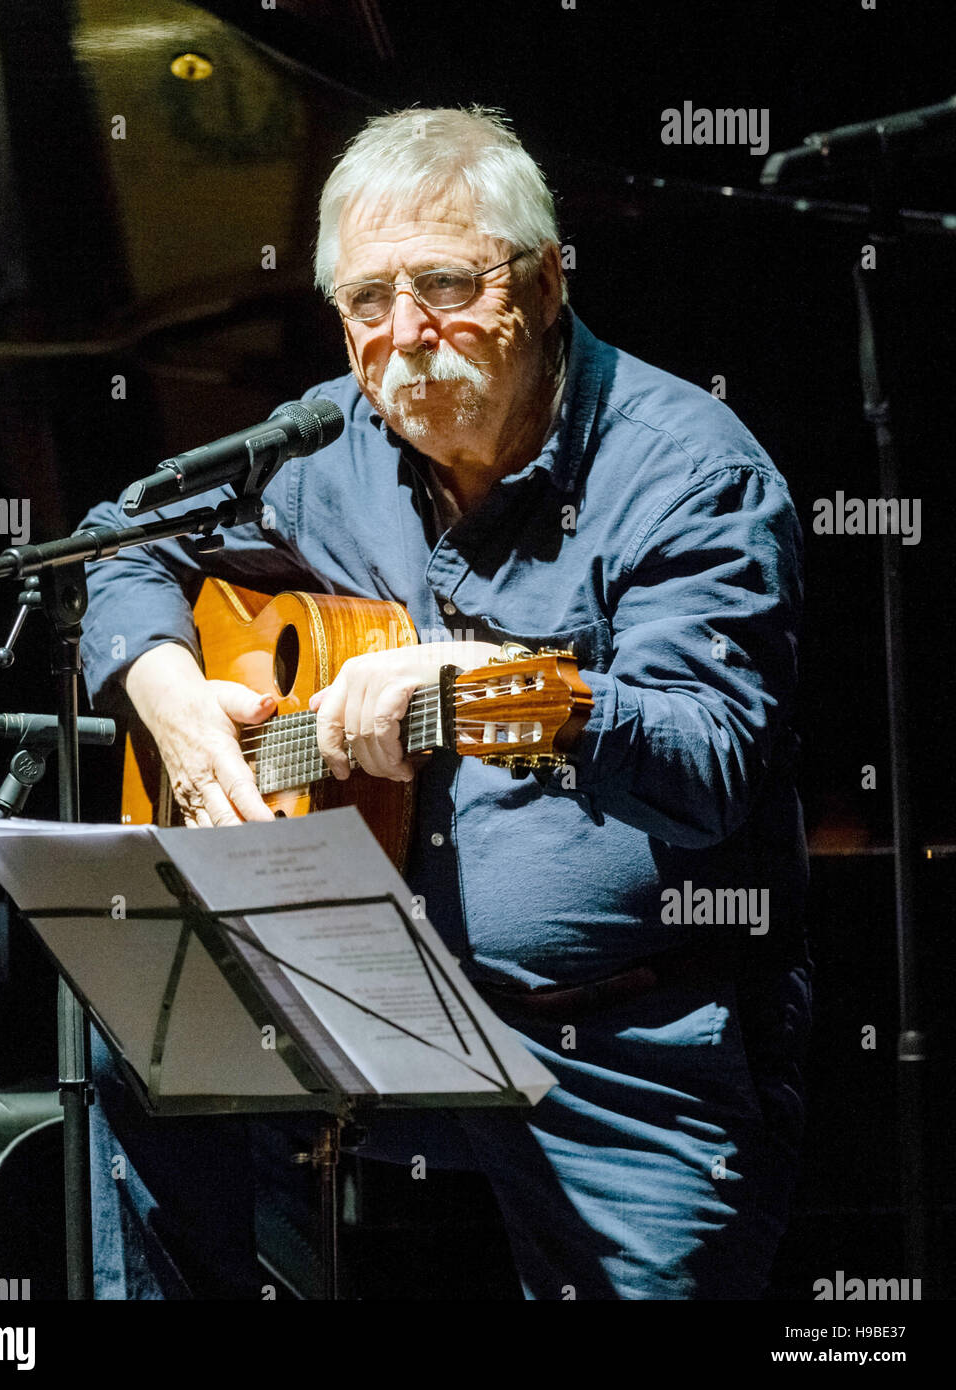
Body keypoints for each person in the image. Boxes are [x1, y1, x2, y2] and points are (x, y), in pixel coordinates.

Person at [78, 105, 811, 1300]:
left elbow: (712, 760)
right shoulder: (332, 449)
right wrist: (173, 701)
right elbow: (121, 544)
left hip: (621, 1056)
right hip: (370, 1008)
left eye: (448, 284)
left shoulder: (688, 474)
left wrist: (498, 688)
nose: (408, 334)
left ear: (548, 274)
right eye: (368, 301)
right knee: (149, 1035)